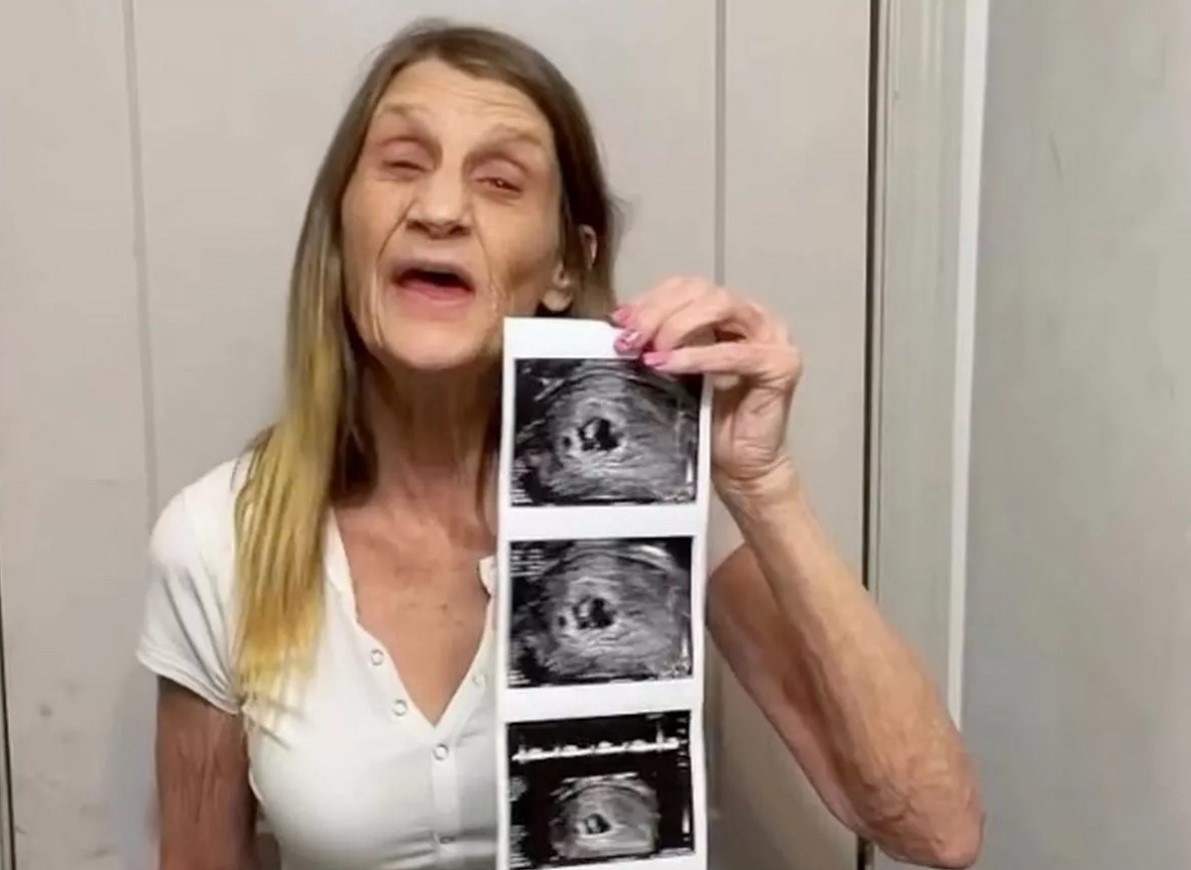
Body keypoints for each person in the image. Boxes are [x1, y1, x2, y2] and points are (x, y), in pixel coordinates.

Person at [137, 19, 983, 870]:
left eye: (500, 181)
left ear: (565, 268)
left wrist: (763, 485)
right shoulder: (219, 540)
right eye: (401, 163)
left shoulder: (651, 505)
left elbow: (936, 828)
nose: (438, 210)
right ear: (343, 225)